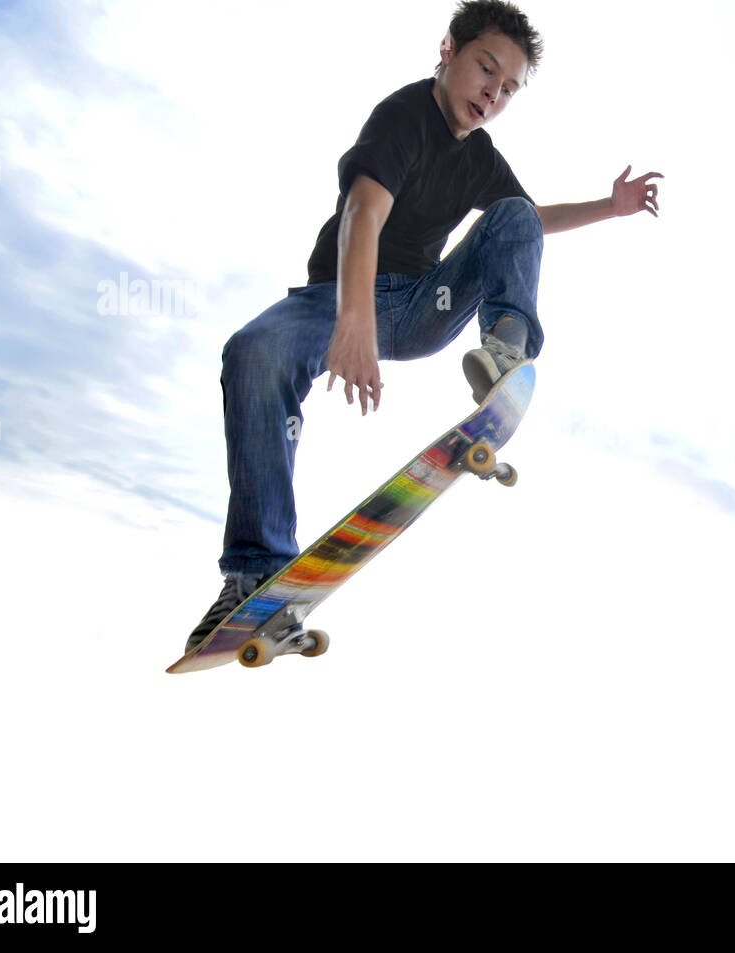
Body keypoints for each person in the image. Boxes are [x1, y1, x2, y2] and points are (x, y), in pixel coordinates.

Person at [185, 0, 662, 651]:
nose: (491, 95)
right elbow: (363, 214)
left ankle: (504, 352)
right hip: (332, 299)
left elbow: (525, 224)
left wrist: (609, 207)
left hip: (418, 308)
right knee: (252, 352)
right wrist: (353, 319)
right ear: (448, 51)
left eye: (506, 89)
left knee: (513, 213)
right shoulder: (405, 115)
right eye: (484, 70)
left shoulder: (482, 158)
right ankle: (253, 572)